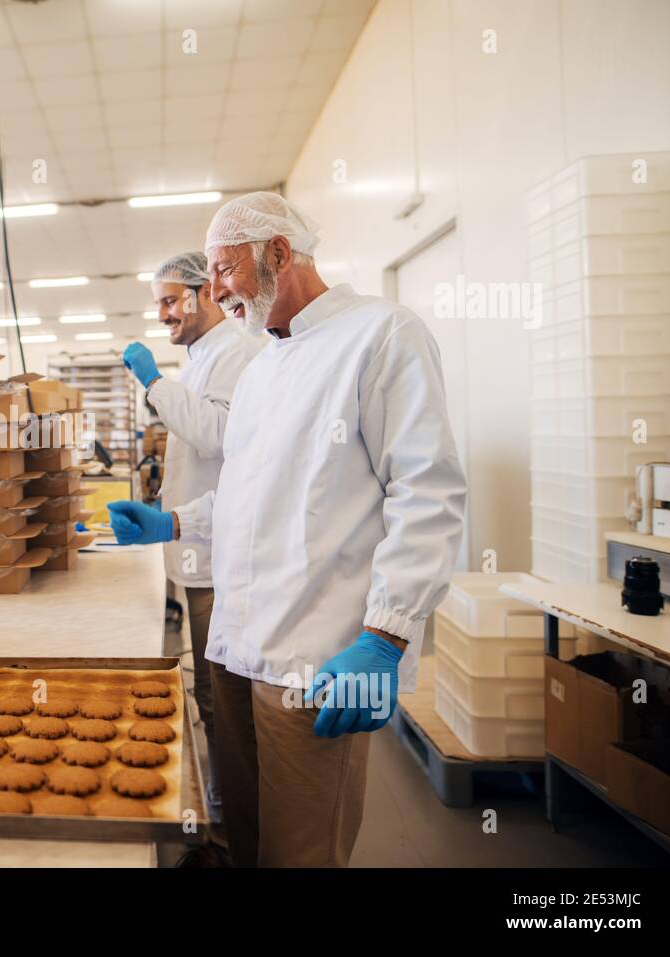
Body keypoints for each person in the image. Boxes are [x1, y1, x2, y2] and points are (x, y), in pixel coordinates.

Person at [108, 192, 467, 867]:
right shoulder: (265, 363)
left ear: (278, 252)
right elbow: (247, 494)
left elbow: (428, 492)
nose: (213, 291)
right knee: (245, 835)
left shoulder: (382, 335)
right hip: (239, 646)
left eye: (223, 270)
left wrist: (386, 636)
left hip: (315, 662)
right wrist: (175, 519)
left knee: (300, 851)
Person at [120, 251, 261, 839]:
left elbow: (217, 434)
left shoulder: (237, 351)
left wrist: (154, 383)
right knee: (210, 697)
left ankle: (235, 832)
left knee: (222, 701)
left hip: (220, 559)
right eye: (158, 304)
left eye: (172, 300)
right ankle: (228, 813)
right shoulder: (204, 357)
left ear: (207, 293)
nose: (163, 315)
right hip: (198, 543)